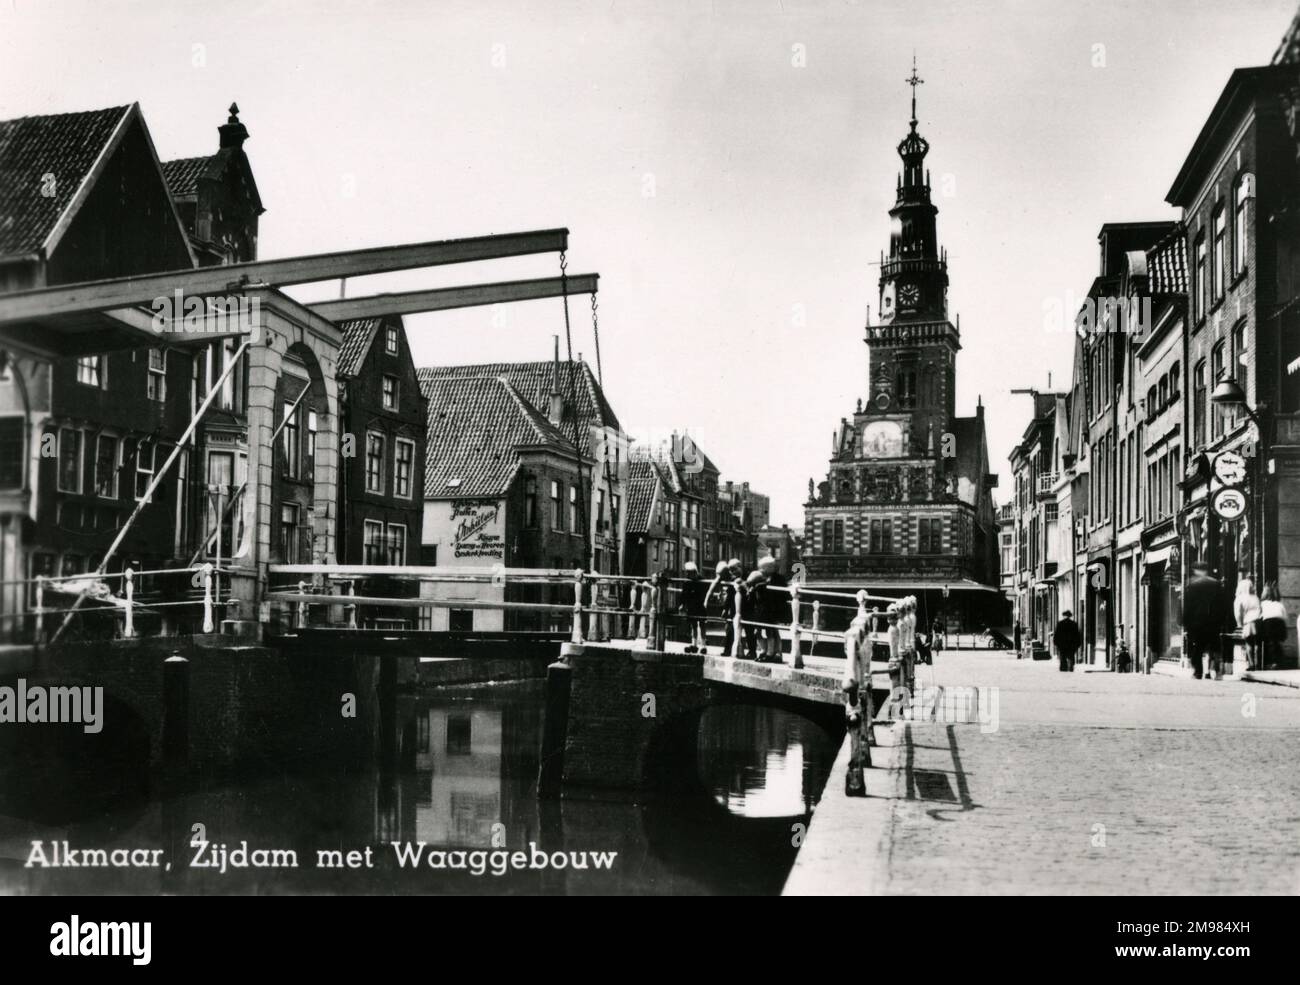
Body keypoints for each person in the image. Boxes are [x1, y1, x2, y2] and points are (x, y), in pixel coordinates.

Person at [1184, 563, 1227, 680]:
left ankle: (1198, 672)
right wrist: (1222, 620)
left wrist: (1186, 622)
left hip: (1197, 623)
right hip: (1214, 622)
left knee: (1198, 647)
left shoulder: (1192, 585)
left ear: (1196, 570)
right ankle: (1217, 671)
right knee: (1215, 647)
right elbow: (1223, 605)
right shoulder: (1216, 584)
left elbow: (1187, 606)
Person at [758, 556, 788, 663]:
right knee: (767, 630)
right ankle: (768, 651)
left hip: (773, 609)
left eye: (763, 568)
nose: (761, 570)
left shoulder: (776, 579)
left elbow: (782, 594)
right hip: (766, 608)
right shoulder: (765, 578)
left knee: (771, 630)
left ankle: (772, 652)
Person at [1233, 577, 1262, 673]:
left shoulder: (1240, 598)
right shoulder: (1255, 597)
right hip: (1258, 620)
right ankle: (1258, 664)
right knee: (1257, 642)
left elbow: (1238, 613)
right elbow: (1260, 609)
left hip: (1248, 622)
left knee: (1249, 643)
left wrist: (1239, 624)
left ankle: (1251, 664)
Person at [678, 562, 708, 654]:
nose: (687, 574)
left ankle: (703, 645)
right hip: (691, 606)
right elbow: (683, 594)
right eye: (687, 572)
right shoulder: (687, 582)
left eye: (689, 572)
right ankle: (694, 644)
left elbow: (706, 592)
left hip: (700, 605)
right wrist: (682, 604)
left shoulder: (702, 581)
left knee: (702, 625)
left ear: (694, 572)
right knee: (693, 625)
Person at [1259, 582, 1289, 670]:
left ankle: (1272, 662)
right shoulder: (1279, 604)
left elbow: (1260, 615)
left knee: (1270, 643)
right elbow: (1285, 616)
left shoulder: (1263, 604)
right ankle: (1279, 661)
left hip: (1269, 623)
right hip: (1279, 623)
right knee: (1276, 643)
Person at [741, 569, 764, 660]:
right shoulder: (752, 590)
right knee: (750, 633)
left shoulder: (758, 591)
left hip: (754, 614)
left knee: (754, 633)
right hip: (750, 613)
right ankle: (752, 651)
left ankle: (756, 651)